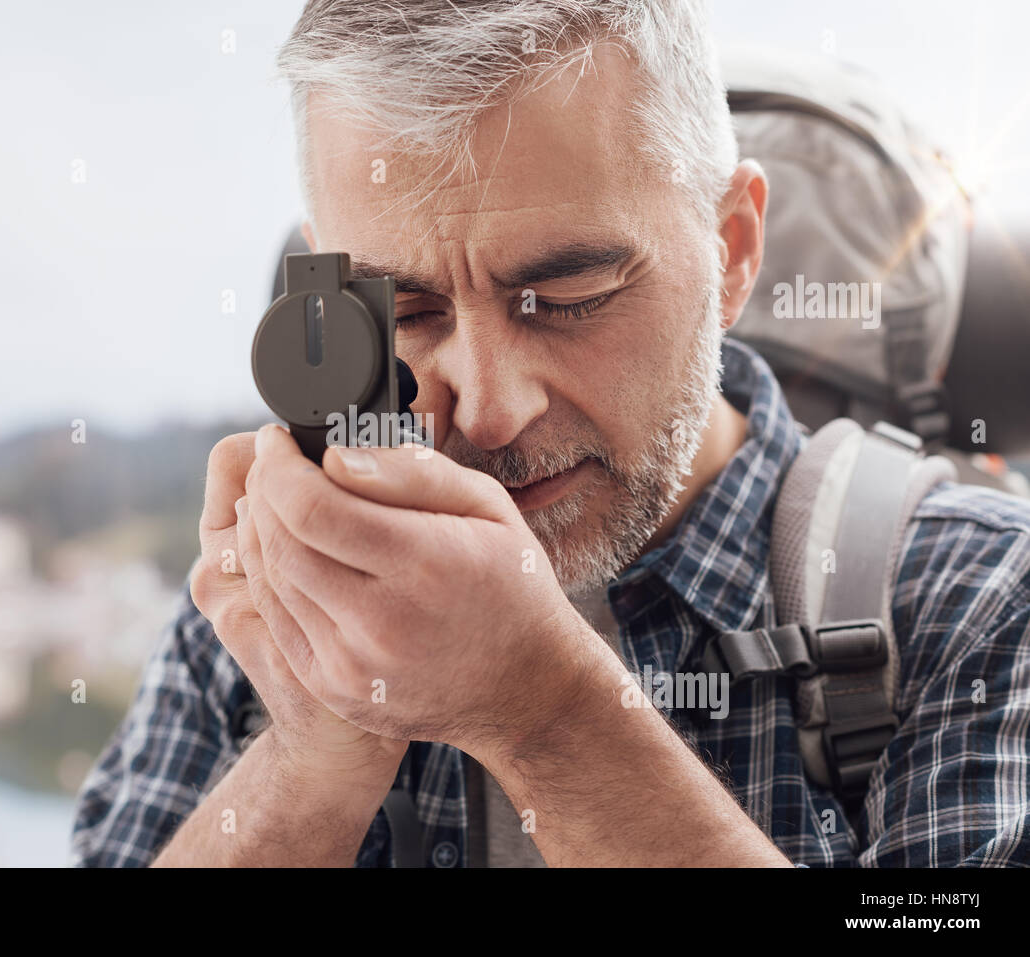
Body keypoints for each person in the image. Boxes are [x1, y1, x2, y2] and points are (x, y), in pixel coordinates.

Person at [70, 0, 1030, 867]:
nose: (490, 407)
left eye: (568, 299)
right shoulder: (267, 613)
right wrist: (310, 755)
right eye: (405, 310)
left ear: (732, 250)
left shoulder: (981, 603)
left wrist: (544, 712)